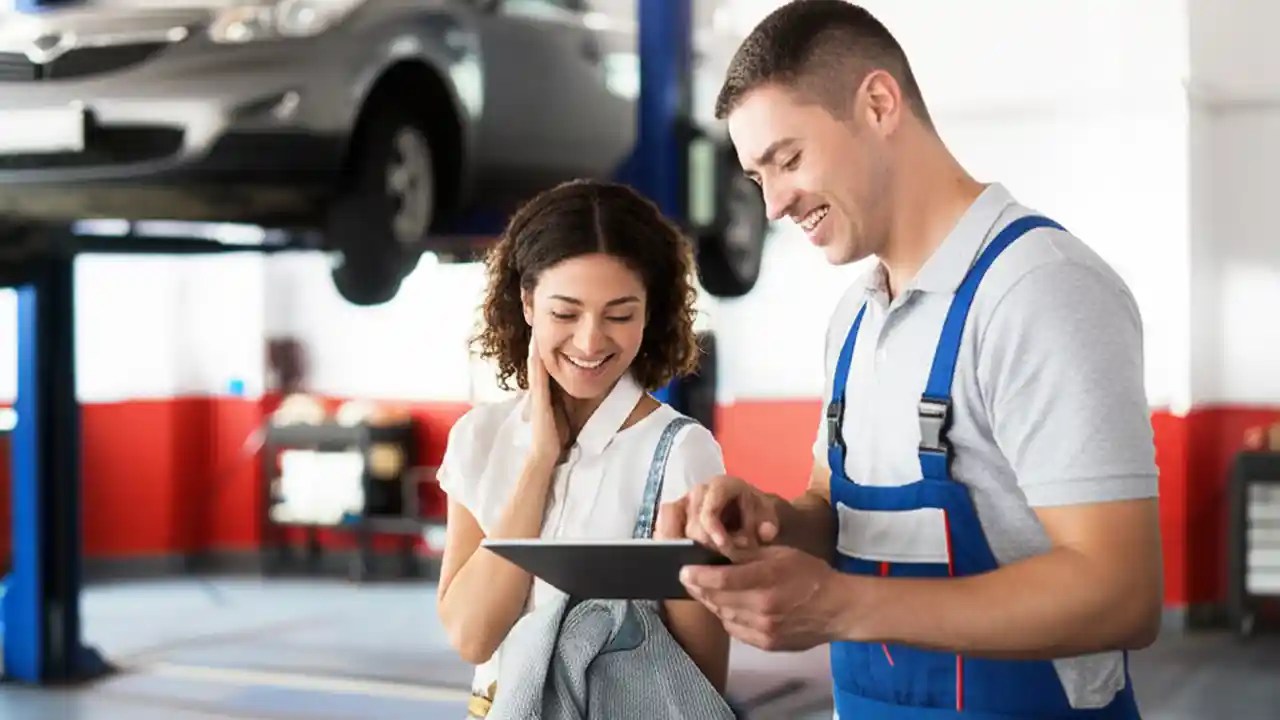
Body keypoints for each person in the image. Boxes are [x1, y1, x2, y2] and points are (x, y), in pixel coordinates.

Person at [656, 1, 1164, 718]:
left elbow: (1122, 595)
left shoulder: (1038, 290)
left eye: (788, 159)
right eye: (757, 176)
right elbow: (837, 509)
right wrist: (770, 519)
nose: (771, 206)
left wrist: (843, 608)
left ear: (878, 103)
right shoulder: (856, 319)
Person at [435, 179, 731, 718]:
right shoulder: (480, 439)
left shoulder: (681, 453)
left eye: (619, 314)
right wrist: (539, 460)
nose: (591, 342)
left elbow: (699, 680)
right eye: (565, 313)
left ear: (650, 312)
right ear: (527, 303)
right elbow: (472, 636)